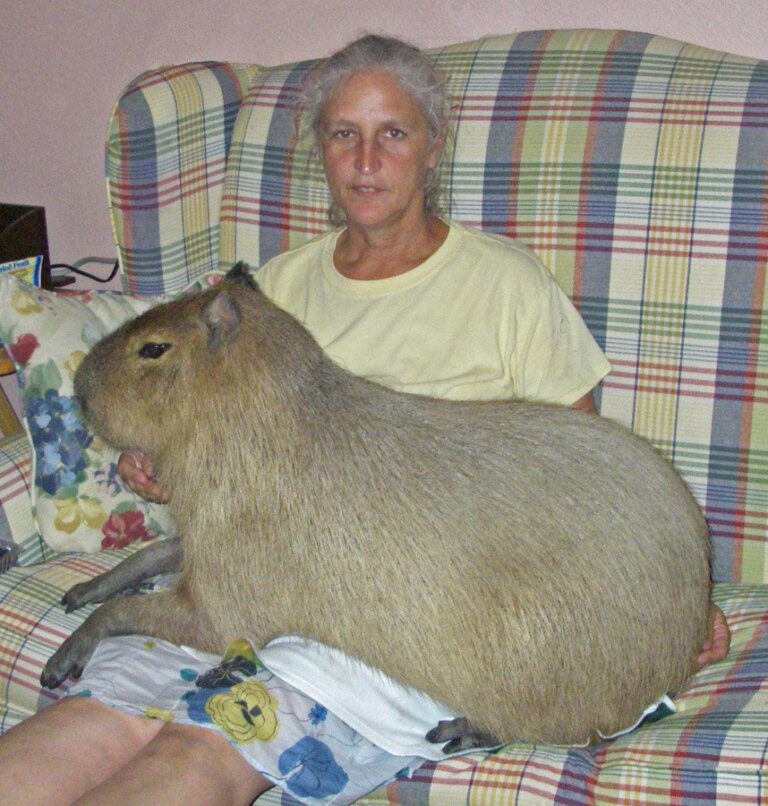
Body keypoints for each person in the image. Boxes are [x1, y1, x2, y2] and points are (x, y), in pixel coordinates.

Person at [0, 34, 730, 805]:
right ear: (321, 149)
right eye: (344, 134)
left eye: (393, 133)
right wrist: (155, 470)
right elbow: (233, 465)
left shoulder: (505, 284)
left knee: (200, 746)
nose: (366, 160)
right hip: (258, 584)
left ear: (433, 146)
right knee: (92, 722)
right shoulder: (269, 295)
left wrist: (663, 603)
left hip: (407, 620)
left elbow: (585, 477)